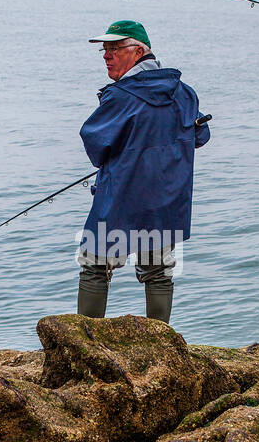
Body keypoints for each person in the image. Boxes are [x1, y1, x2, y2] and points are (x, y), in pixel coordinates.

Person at [76, 20, 209, 324]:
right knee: (159, 270)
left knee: (95, 265)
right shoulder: (184, 93)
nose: (107, 55)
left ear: (138, 52)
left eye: (114, 48)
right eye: (104, 50)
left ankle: (85, 341)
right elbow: (200, 136)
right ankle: (160, 342)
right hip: (167, 199)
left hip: (120, 199)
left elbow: (96, 144)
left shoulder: (120, 96)